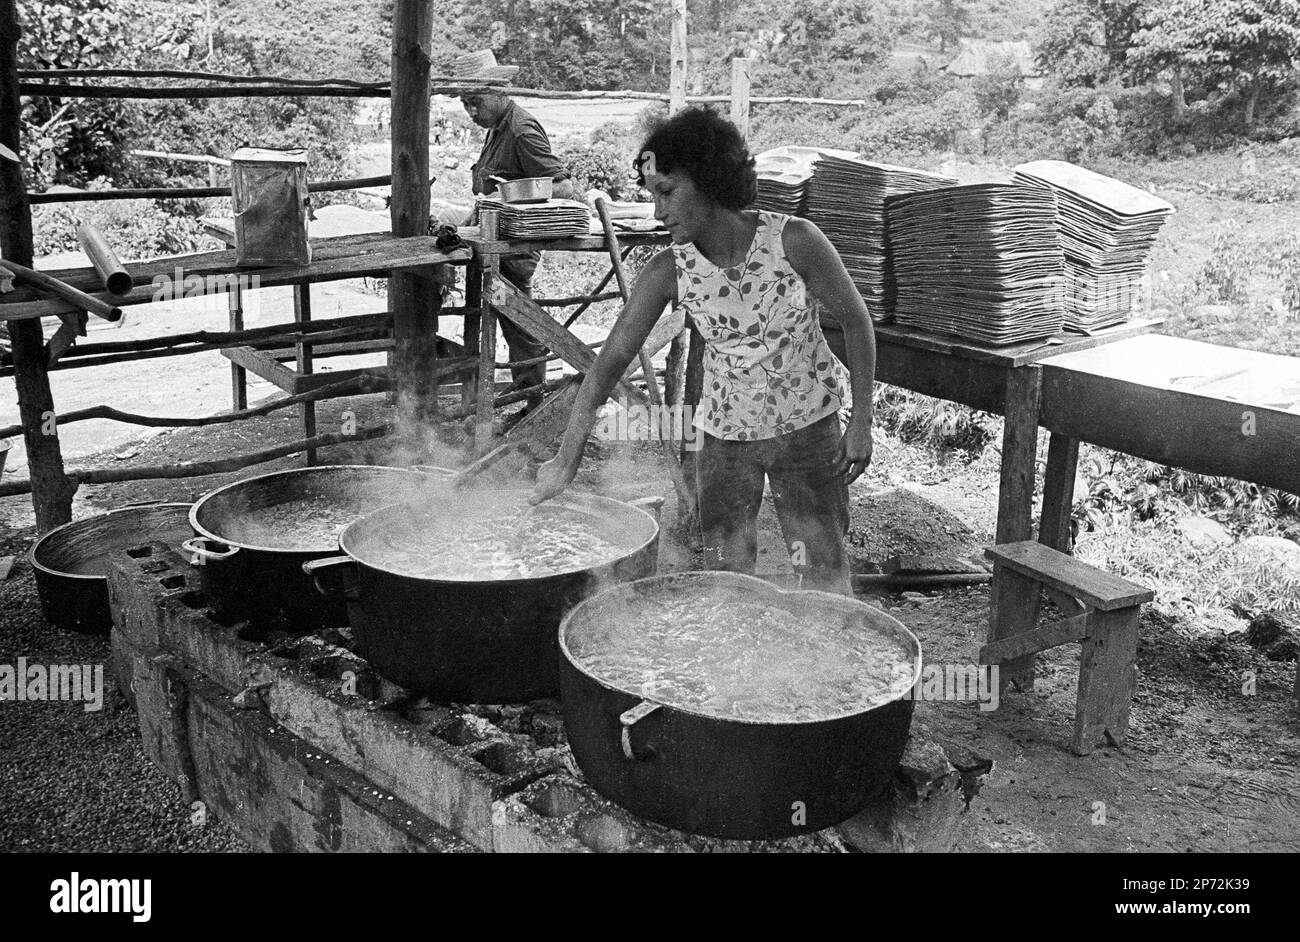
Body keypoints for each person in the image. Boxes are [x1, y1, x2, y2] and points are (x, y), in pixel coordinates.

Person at [531, 108, 876, 594]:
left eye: (667, 192)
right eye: (652, 196)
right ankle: (730, 661)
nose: (657, 211)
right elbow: (606, 366)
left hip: (807, 433)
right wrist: (567, 459)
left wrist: (861, 420)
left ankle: (831, 658)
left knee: (818, 565)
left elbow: (857, 322)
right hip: (723, 443)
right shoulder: (668, 271)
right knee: (724, 571)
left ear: (710, 179)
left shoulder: (795, 240)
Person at [459, 64, 579, 411]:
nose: (471, 111)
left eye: (475, 102)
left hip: (513, 248)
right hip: (495, 241)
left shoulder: (522, 130)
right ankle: (521, 396)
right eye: (465, 103)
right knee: (511, 318)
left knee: (519, 320)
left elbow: (565, 187)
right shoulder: (498, 127)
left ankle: (533, 403)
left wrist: (510, 195)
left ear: (499, 93)